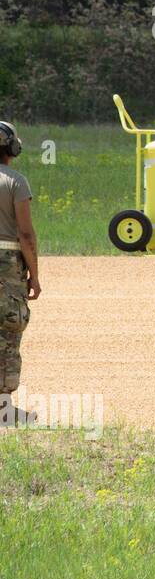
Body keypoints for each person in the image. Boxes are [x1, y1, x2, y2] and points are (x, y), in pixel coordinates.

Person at [0, 121, 38, 426]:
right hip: (7, 263)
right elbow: (26, 235)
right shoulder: (16, 182)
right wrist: (34, 275)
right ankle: (3, 410)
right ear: (12, 148)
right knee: (8, 332)